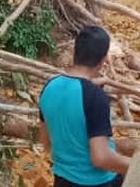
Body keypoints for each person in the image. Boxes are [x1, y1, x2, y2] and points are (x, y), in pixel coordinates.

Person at [38, 26, 131, 187]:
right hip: (98, 182)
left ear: (75, 52)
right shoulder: (95, 97)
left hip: (62, 180)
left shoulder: (49, 87)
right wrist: (135, 166)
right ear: (103, 60)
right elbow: (101, 158)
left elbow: (46, 141)